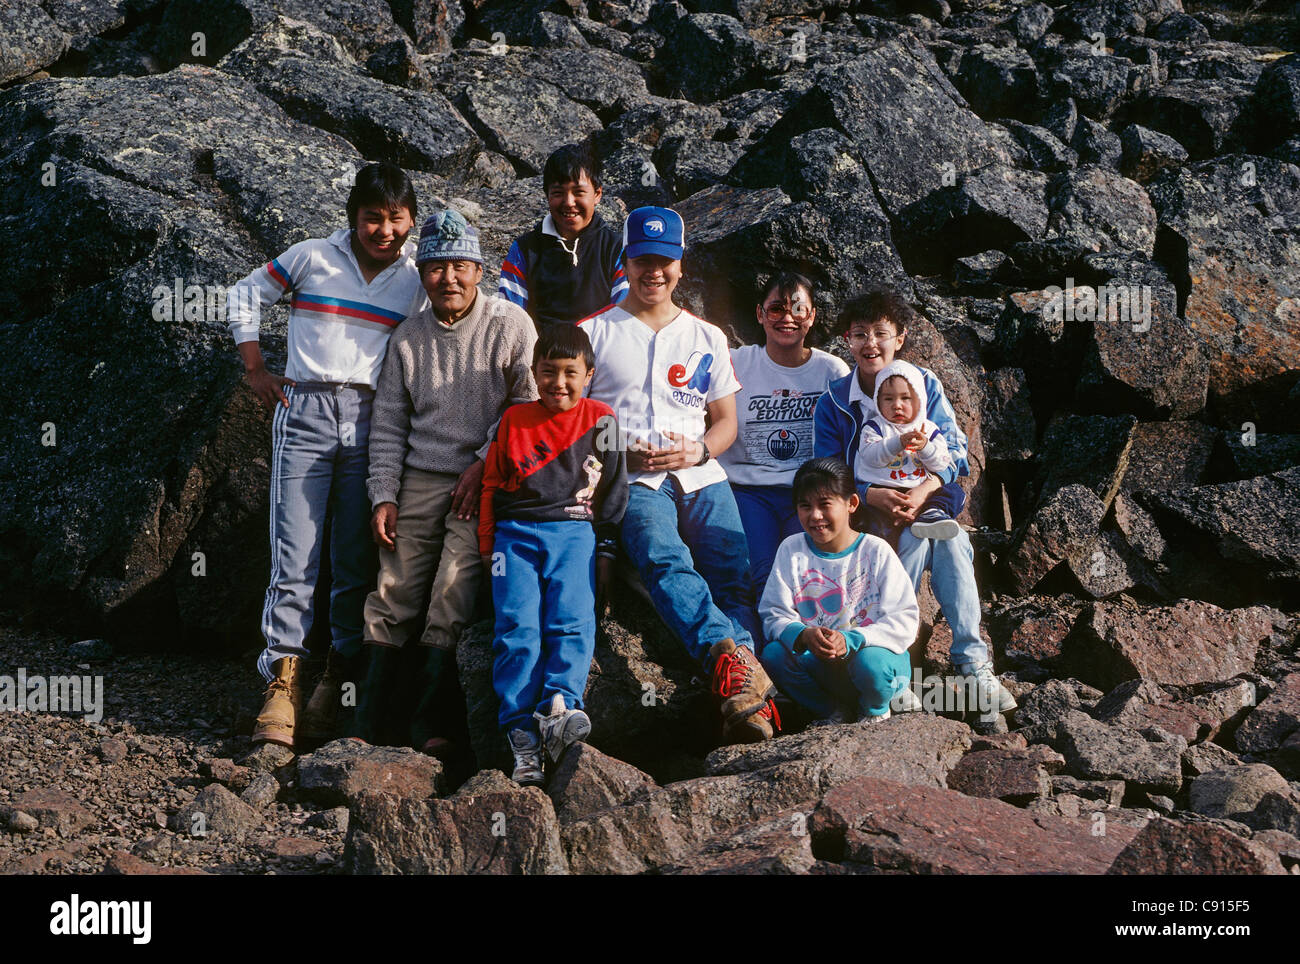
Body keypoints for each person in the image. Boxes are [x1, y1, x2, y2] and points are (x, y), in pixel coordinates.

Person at [228, 162, 422, 749]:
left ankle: (340, 675)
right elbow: (244, 292)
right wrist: (256, 368)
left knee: (355, 556)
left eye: (396, 218)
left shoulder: (415, 279)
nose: (384, 230)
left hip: (372, 419)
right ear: (353, 217)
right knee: (296, 551)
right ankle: (282, 680)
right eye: (372, 218)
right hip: (306, 410)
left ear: (411, 220)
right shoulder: (313, 255)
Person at [580, 205, 780, 744]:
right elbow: (571, 421)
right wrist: (617, 450)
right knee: (662, 557)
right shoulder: (593, 332)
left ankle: (744, 701)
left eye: (664, 261)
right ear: (625, 260)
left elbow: (725, 424)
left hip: (701, 474)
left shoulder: (706, 336)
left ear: (680, 264)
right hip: (634, 480)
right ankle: (732, 663)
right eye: (643, 260)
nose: (654, 272)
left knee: (734, 574)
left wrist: (697, 451)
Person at [358, 207, 538, 752]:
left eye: (461, 265)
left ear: (480, 271)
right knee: (392, 592)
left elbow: (527, 409)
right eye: (437, 266)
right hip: (419, 475)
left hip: (483, 479)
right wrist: (383, 495)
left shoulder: (511, 325)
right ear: (422, 273)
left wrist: (483, 462)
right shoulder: (408, 338)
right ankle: (366, 724)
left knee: (452, 591)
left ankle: (430, 725)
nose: (449, 278)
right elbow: (387, 422)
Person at [813, 286, 1016, 723]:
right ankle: (906, 669)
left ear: (900, 337)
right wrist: (871, 495)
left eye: (881, 333)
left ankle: (969, 665)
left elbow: (955, 454)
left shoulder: (924, 385)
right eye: (859, 333)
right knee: (928, 543)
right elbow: (825, 472)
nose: (871, 343)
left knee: (950, 539)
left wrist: (922, 492)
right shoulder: (834, 401)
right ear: (846, 340)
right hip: (864, 513)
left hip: (924, 503)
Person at [479, 325, 628, 785]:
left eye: (570, 373)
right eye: (548, 373)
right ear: (533, 372)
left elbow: (615, 489)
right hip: (515, 535)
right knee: (516, 630)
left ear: (589, 375)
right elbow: (490, 485)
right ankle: (520, 735)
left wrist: (606, 546)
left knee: (573, 620)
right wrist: (489, 546)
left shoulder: (603, 419)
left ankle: (560, 707)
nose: (558, 383)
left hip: (576, 531)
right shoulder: (513, 420)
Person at [718, 271, 849, 596]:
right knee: (760, 573)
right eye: (776, 309)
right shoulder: (736, 363)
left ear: (812, 315)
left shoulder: (832, 371)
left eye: (798, 309)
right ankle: (766, 645)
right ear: (760, 314)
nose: (787, 318)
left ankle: (802, 643)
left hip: (807, 492)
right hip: (748, 490)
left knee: (806, 575)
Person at [759, 459, 919, 723]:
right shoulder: (791, 549)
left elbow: (904, 620)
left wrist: (852, 640)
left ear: (851, 504)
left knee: (871, 665)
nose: (815, 516)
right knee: (774, 655)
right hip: (823, 670)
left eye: (825, 504)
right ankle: (831, 712)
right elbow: (773, 612)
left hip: (874, 663)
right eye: (805, 506)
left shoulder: (875, 551)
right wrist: (804, 635)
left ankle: (875, 709)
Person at [497, 143, 626, 330]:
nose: (568, 202)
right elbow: (510, 321)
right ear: (547, 195)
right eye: (558, 193)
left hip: (599, 356)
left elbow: (622, 318)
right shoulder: (524, 250)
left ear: (597, 194)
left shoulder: (616, 249)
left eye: (579, 192)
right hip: (539, 357)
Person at [856, 359, 964, 542]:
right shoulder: (874, 428)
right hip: (885, 490)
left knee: (954, 491)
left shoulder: (928, 429)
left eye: (905, 398)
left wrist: (925, 448)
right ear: (877, 401)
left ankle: (932, 514)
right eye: (888, 399)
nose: (897, 405)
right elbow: (870, 456)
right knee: (874, 525)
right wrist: (896, 443)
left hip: (920, 489)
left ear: (919, 399)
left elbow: (942, 462)